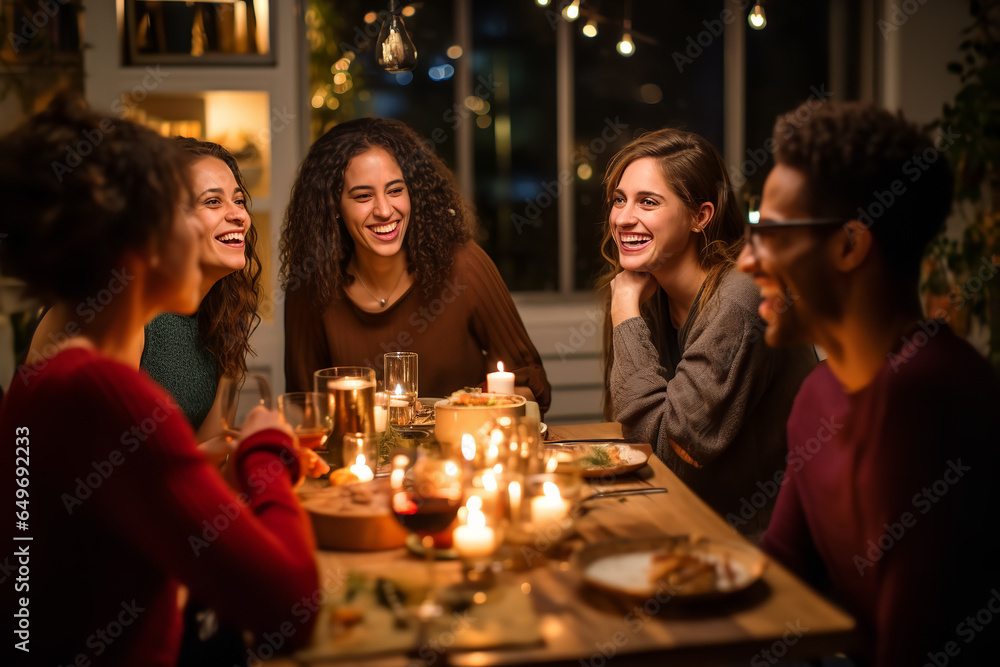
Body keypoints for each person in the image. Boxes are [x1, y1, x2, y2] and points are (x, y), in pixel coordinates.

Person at [0, 97, 318, 665]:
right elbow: (290, 606)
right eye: (185, 210)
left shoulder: (58, 382)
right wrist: (269, 451)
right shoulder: (104, 395)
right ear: (138, 242)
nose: (227, 219)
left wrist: (232, 453)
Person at [737, 101, 999, 665]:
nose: (745, 260)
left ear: (851, 245)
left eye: (771, 234)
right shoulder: (818, 395)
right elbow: (781, 582)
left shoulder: (932, 398)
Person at [600, 128, 816, 540]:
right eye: (619, 199)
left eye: (648, 202)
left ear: (701, 216)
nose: (623, 217)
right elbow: (636, 426)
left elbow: (666, 454)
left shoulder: (739, 297)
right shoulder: (653, 292)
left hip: (762, 545)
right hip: (689, 521)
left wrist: (624, 311)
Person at [280, 117, 550, 412]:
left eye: (396, 190)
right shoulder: (311, 285)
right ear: (332, 206)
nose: (385, 210)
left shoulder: (463, 266)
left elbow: (532, 384)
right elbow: (302, 407)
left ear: (415, 194)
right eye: (363, 196)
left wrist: (475, 406)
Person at [140, 138, 262, 452]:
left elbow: (209, 454)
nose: (239, 216)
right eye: (212, 202)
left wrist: (251, 447)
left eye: (238, 200)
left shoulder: (226, 314)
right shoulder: (130, 310)